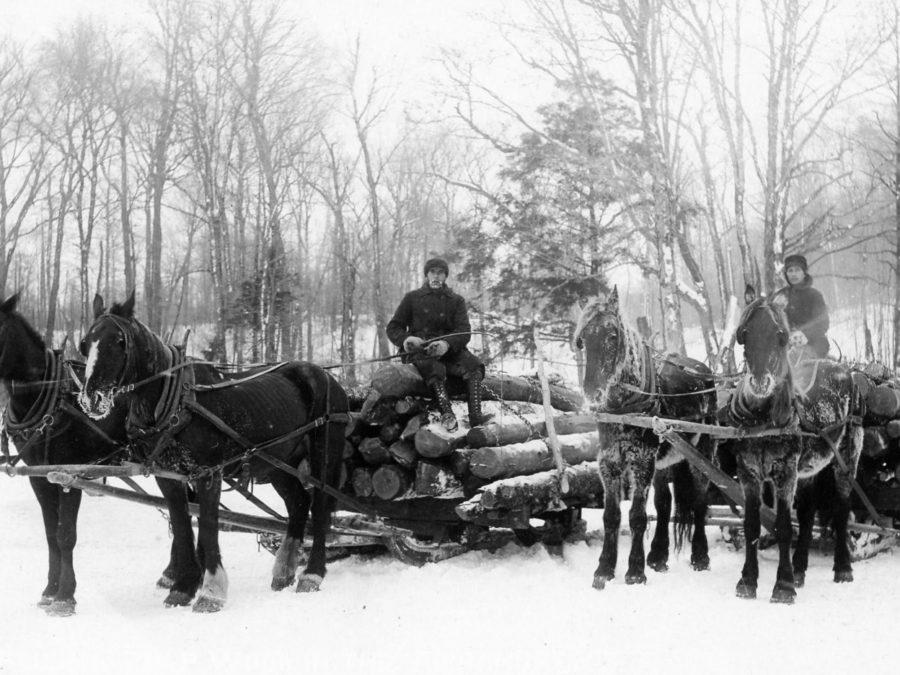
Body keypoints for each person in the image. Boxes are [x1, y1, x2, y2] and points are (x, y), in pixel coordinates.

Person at [386, 257, 489, 432]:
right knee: (434, 369)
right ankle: (447, 414)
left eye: (440, 273)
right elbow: (394, 327)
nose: (436, 276)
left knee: (474, 366)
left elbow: (464, 331)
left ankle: (476, 417)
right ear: (427, 275)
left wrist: (446, 344)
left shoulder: (456, 300)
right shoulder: (412, 298)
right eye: (432, 272)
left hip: (450, 350)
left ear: (445, 276)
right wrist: (407, 340)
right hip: (420, 352)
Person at [771, 253, 830, 358]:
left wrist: (805, 334)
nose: (794, 274)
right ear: (786, 274)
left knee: (799, 357)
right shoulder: (780, 296)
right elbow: (771, 322)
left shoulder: (814, 295)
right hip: (785, 344)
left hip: (812, 343)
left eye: (797, 270)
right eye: (790, 271)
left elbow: (823, 323)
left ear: (804, 273)